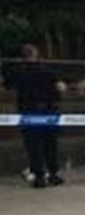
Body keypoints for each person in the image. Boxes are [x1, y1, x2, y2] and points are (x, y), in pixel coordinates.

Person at [3, 45, 64, 188]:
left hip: (28, 112)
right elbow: (57, 90)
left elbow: (8, 86)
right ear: (37, 55)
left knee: (33, 146)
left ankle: (39, 176)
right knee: (51, 144)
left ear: (22, 57)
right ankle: (54, 174)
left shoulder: (18, 72)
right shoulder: (48, 71)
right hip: (49, 111)